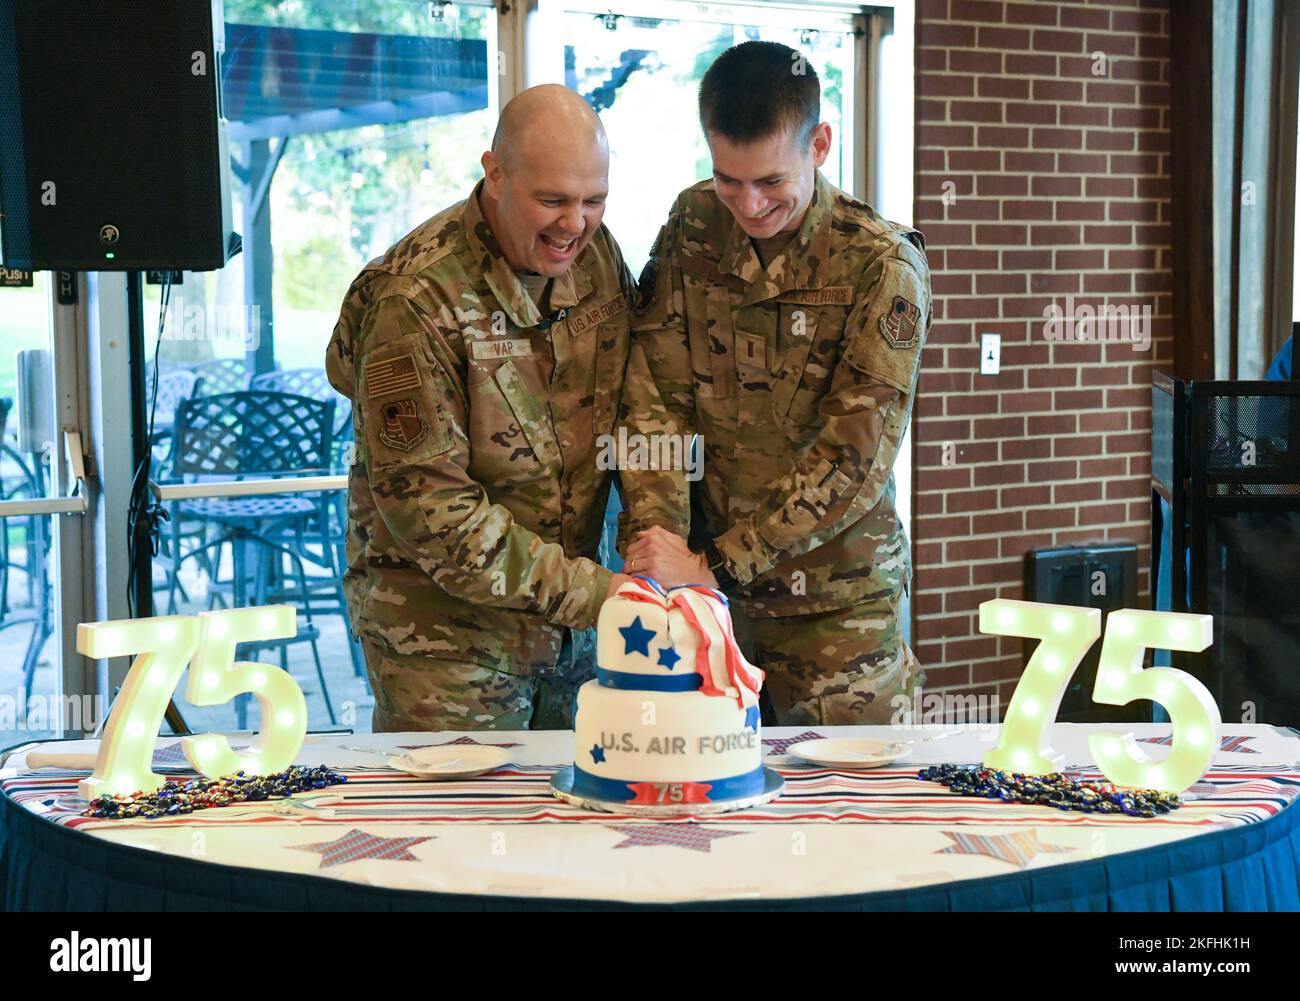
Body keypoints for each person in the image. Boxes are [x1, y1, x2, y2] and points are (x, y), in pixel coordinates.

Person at [620, 41, 930, 726]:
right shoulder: (693, 225)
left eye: (769, 181)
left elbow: (853, 459)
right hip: (703, 606)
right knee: (702, 810)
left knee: (850, 816)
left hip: (835, 616)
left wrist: (715, 565)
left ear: (819, 144)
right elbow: (653, 399)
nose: (748, 204)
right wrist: (660, 553)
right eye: (728, 179)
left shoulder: (880, 264)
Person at [326, 84, 634, 732]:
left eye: (593, 201)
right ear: (494, 173)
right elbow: (435, 517)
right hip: (442, 645)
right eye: (551, 199)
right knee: (460, 830)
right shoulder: (414, 301)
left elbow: (643, 401)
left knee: (580, 824)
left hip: (572, 635)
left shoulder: (598, 260)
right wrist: (605, 595)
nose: (574, 224)